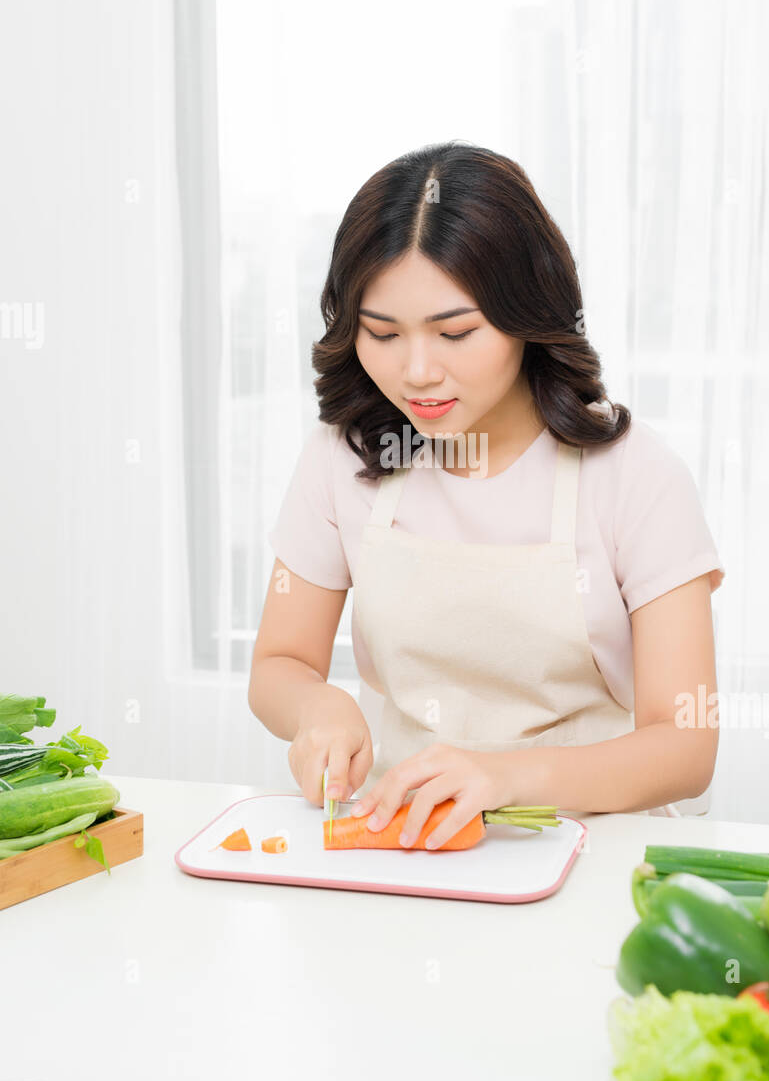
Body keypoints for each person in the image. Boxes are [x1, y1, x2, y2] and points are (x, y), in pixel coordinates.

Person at [248, 141, 724, 850]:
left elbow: (684, 747)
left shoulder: (635, 476)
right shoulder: (339, 458)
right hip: (407, 843)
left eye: (455, 332)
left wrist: (502, 777)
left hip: (587, 848)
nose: (415, 372)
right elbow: (277, 666)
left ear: (525, 314)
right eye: (381, 334)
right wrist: (319, 708)